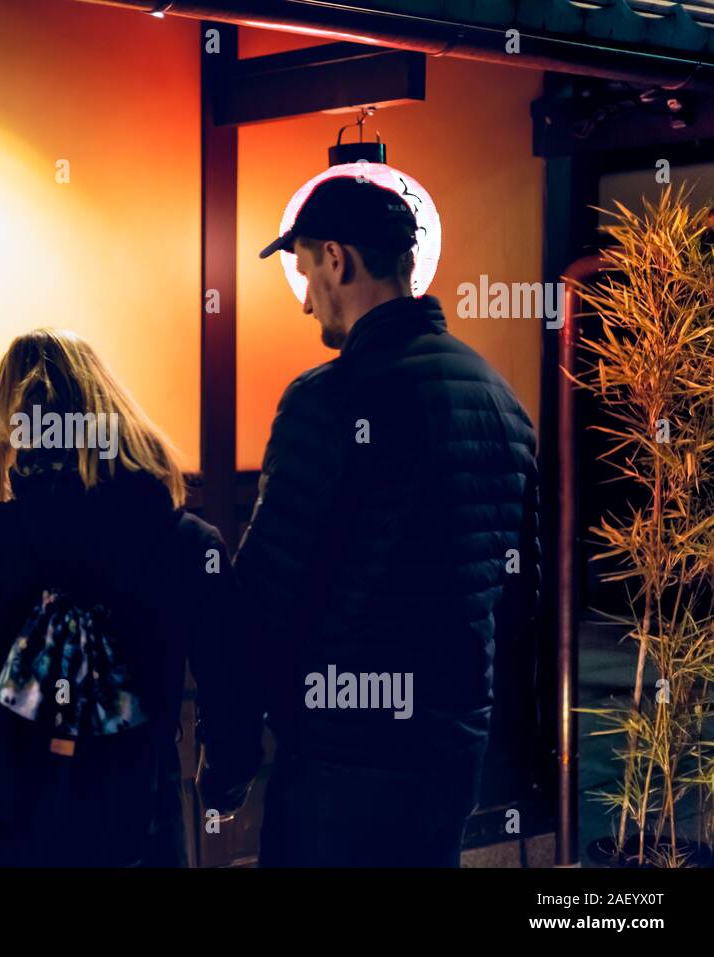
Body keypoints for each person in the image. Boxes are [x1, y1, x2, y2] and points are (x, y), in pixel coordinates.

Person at [237, 176, 540, 867]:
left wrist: (232, 748)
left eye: (305, 269)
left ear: (337, 260)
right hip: (450, 749)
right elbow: (520, 596)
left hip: (341, 755)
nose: (305, 298)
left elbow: (264, 595)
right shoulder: (502, 401)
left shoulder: (326, 401)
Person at [0, 328, 261, 867]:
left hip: (12, 835)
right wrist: (222, 787)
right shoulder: (190, 544)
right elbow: (233, 697)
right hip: (143, 828)